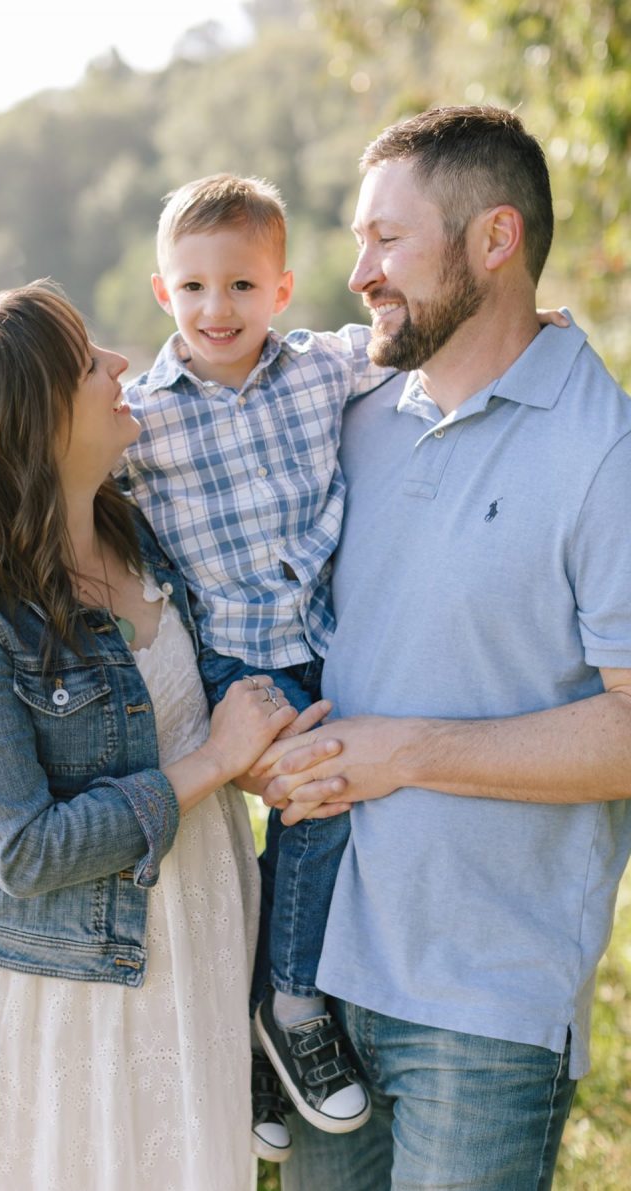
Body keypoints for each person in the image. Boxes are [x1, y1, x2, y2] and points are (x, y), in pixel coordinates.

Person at [0, 282, 333, 1190]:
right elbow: (24, 849)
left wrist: (263, 758)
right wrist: (214, 762)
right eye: (85, 364)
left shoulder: (142, 526)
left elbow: (187, 710)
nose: (120, 363)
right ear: (26, 426)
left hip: (197, 935)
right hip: (63, 983)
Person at [252, 105, 631, 1189]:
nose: (359, 273)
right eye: (359, 239)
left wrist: (408, 751)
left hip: (486, 1008)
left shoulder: (605, 453)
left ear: (494, 238)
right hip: (318, 989)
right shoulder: (352, 414)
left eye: (388, 238)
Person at [122, 173, 393, 1152]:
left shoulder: (322, 368)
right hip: (235, 662)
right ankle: (291, 1004)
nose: (217, 308)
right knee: (311, 798)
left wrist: (535, 323)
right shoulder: (140, 417)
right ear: (164, 291)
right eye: (193, 287)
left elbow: (407, 340)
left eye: (241, 285)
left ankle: (256, 1038)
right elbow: (53, 472)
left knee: (310, 822)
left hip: (322, 640)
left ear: (280, 289)